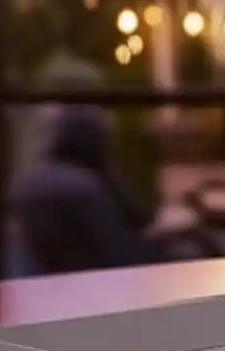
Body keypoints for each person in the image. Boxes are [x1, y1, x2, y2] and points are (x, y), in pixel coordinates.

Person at [10, 106, 184, 274]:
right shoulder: (85, 186)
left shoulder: (30, 179)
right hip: (102, 280)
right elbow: (117, 250)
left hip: (46, 279)